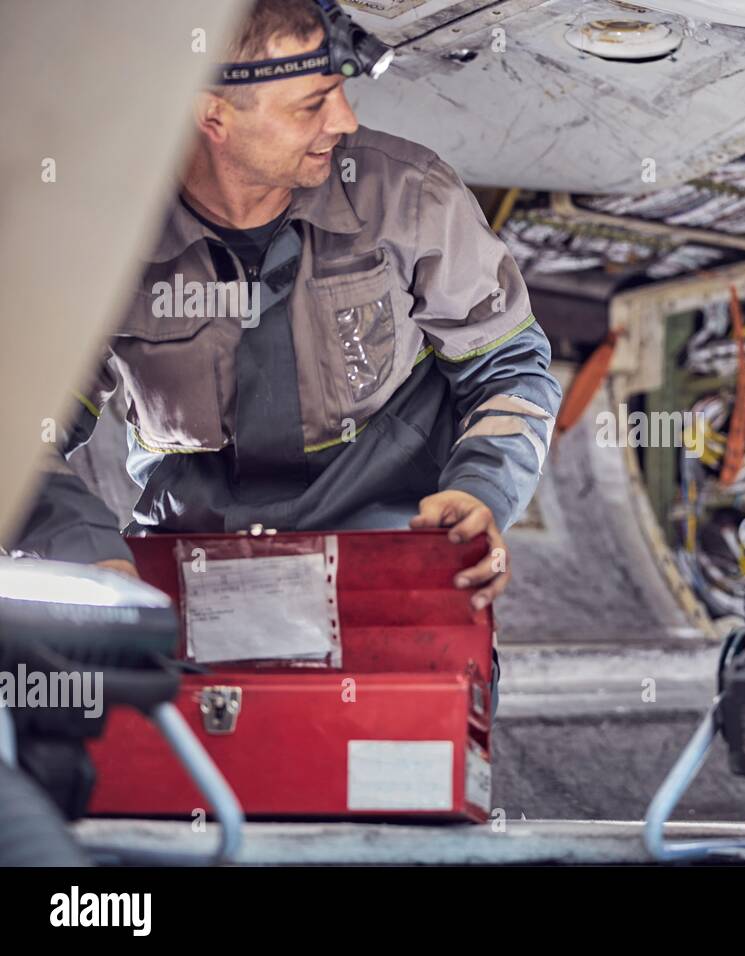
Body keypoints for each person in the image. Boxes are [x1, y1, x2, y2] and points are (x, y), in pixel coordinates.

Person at [10, 0, 562, 710]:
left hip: (390, 565)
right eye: (312, 104)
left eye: (340, 90)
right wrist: (88, 554)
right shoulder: (100, 243)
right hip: (185, 576)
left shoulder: (406, 197)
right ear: (213, 116)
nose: (345, 122)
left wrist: (484, 490)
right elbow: (17, 437)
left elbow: (509, 369)